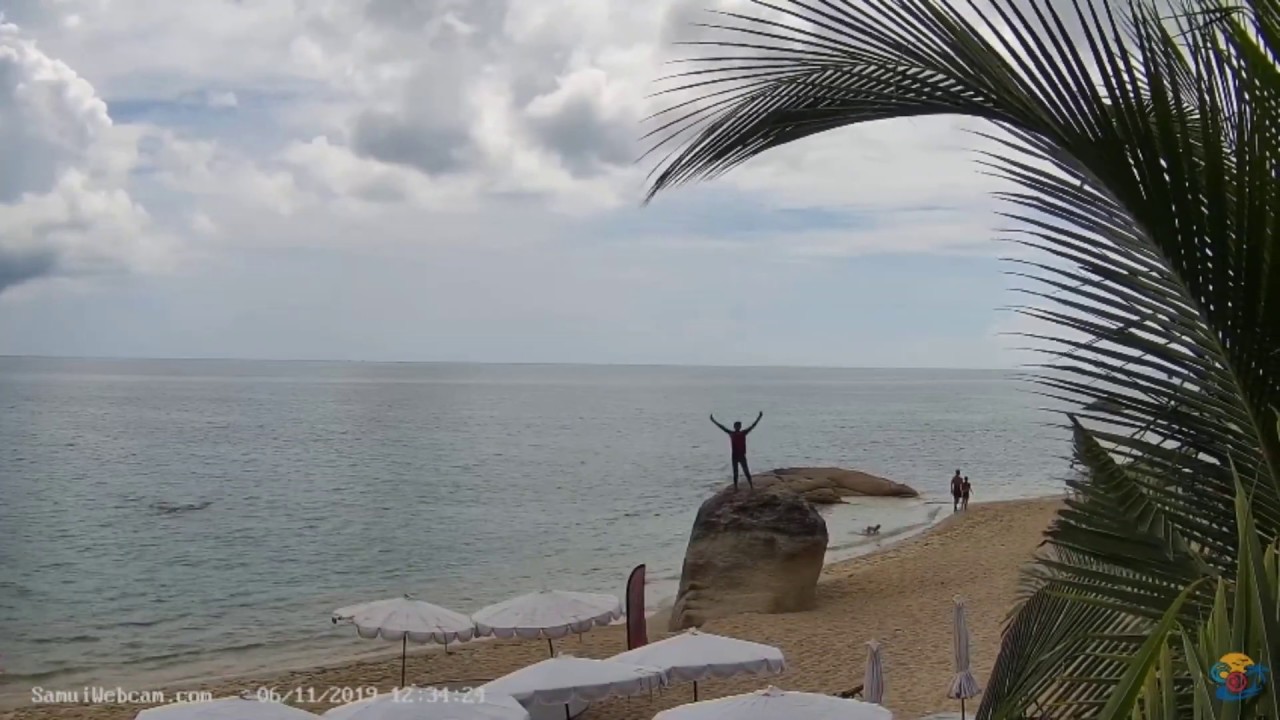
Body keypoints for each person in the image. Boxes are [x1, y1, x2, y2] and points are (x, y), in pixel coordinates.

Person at [710, 411, 763, 490]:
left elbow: (753, 425)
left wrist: (759, 417)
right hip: (735, 455)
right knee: (736, 472)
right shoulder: (732, 433)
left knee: (746, 471)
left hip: (741, 455)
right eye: (736, 426)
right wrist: (713, 420)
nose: (737, 427)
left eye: (738, 426)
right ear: (734, 427)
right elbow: (721, 427)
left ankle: (751, 486)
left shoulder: (742, 433)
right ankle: (736, 487)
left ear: (740, 427)